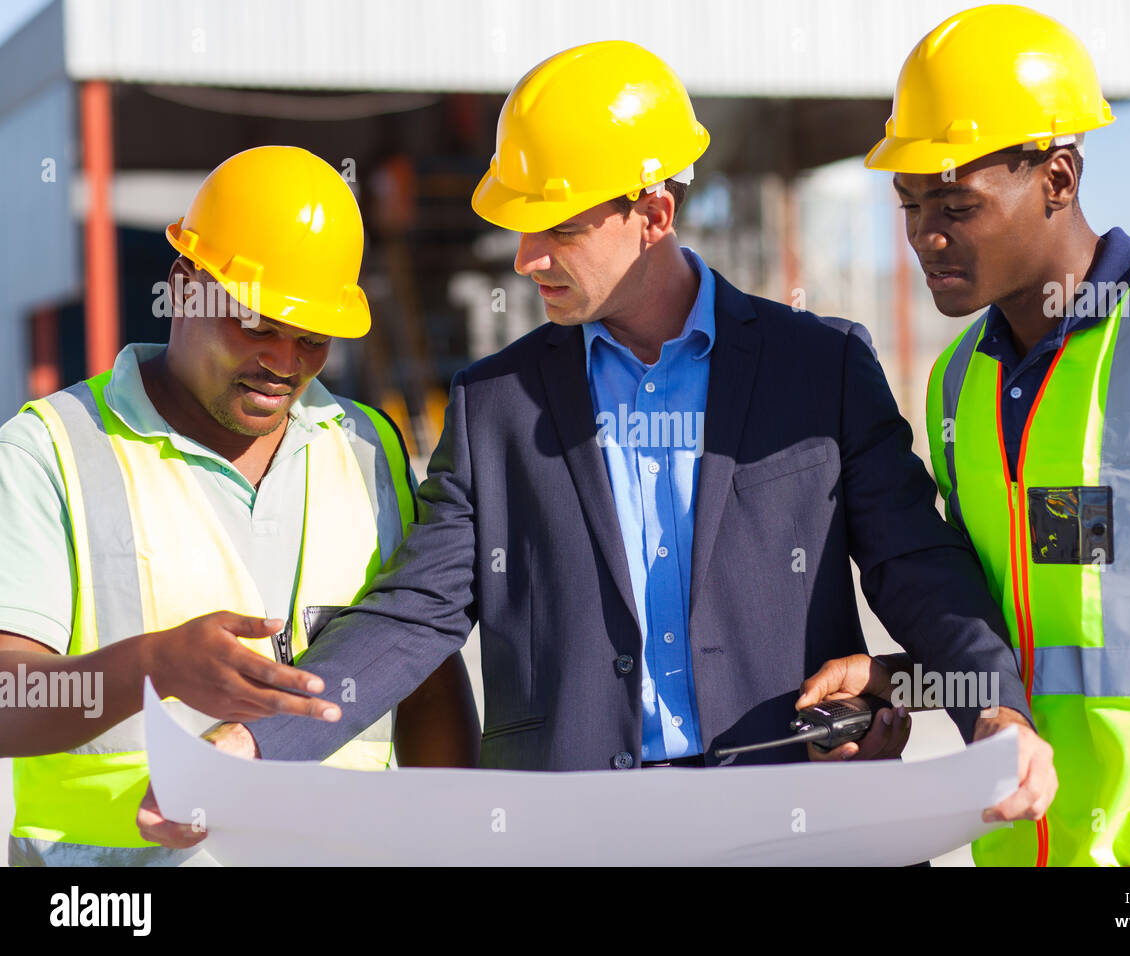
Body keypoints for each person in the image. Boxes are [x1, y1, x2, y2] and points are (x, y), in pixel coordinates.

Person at [139, 41, 1056, 854]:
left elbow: (917, 566)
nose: (526, 258)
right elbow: (415, 613)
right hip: (570, 836)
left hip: (795, 815)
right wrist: (255, 744)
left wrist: (994, 710)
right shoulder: (497, 403)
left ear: (652, 214)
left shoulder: (820, 367)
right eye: (522, 227)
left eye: (560, 228)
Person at [810, 3, 1130, 866]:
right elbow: (1043, 640)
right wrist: (905, 681)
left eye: (957, 203)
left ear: (1058, 178)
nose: (925, 236)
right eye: (911, 202)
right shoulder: (960, 379)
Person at [0, 145, 478, 866]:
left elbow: (424, 675)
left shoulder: (365, 445)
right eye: (255, 324)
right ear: (185, 287)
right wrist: (152, 667)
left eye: (312, 337)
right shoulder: (53, 450)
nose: (284, 363)